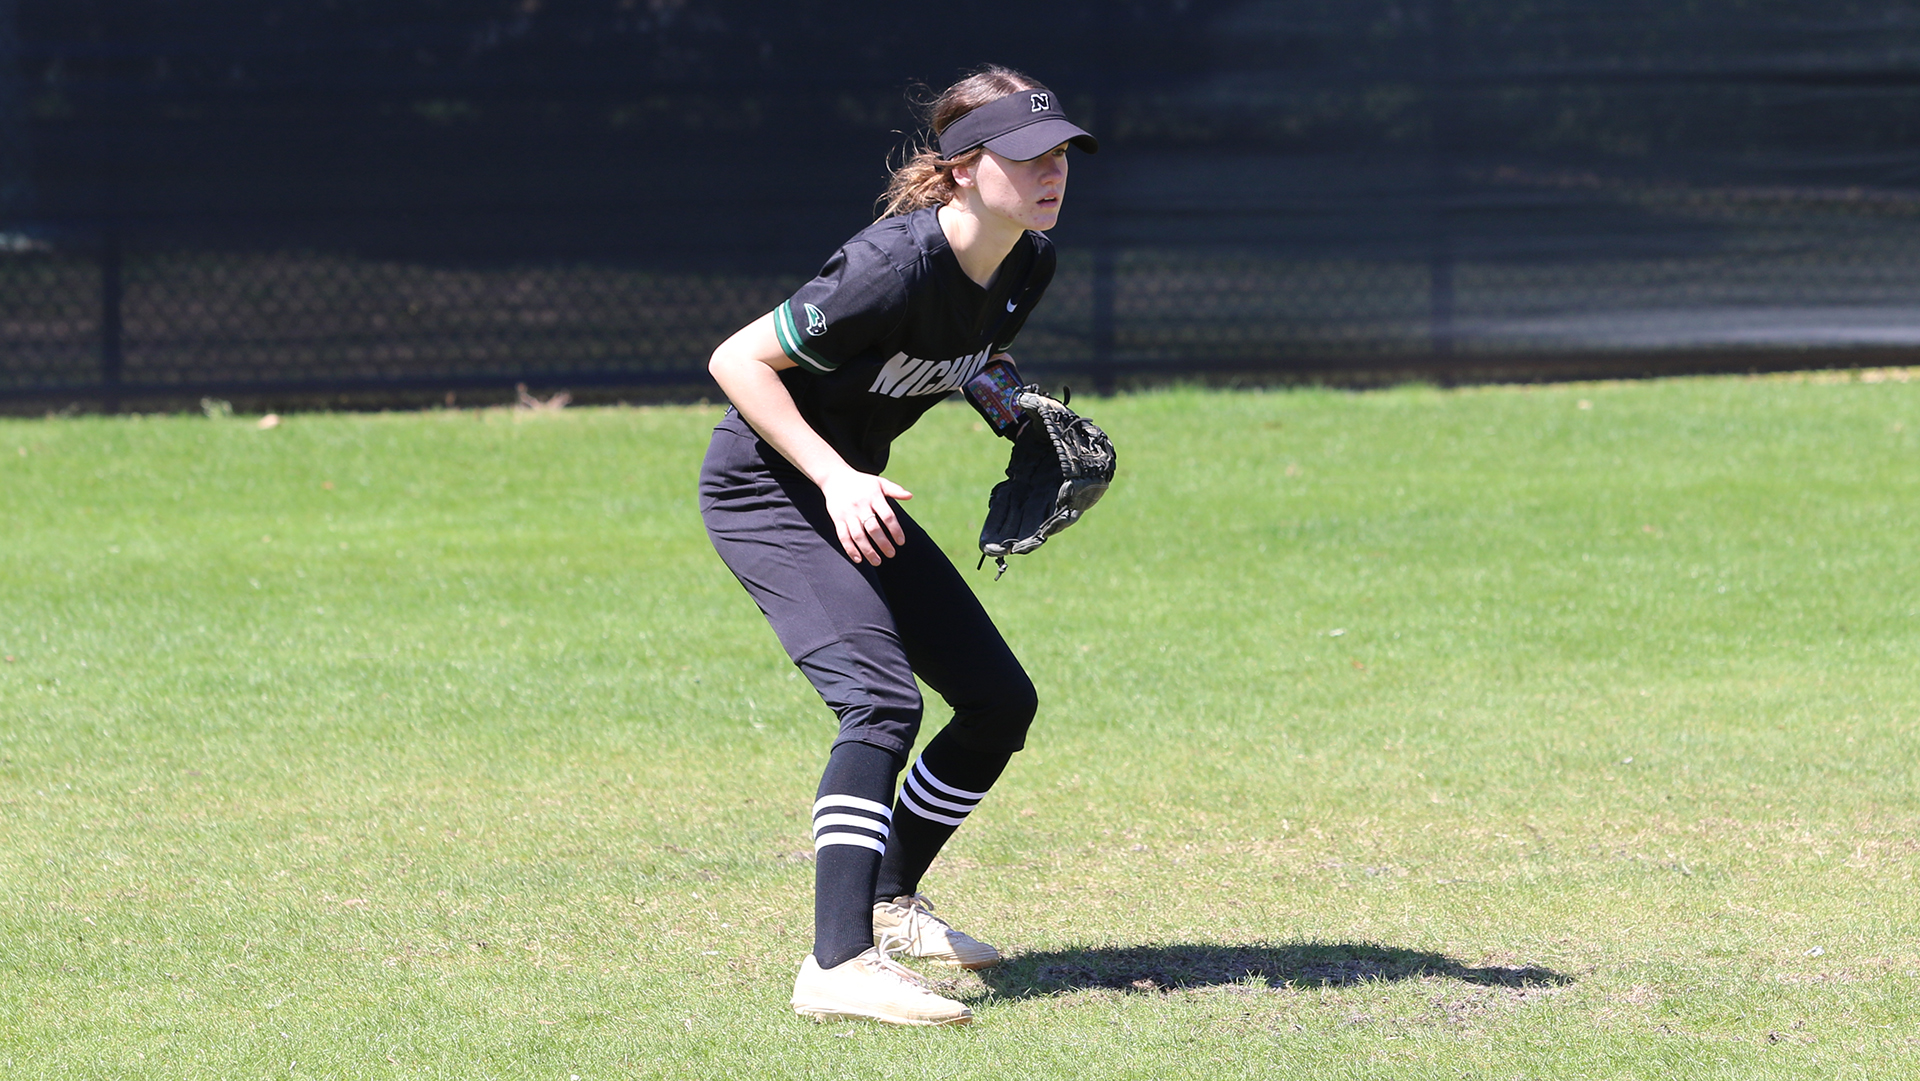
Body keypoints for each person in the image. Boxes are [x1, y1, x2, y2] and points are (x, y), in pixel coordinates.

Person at [698, 65, 1097, 1026]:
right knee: (879, 699)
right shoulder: (890, 264)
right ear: (961, 168)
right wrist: (834, 475)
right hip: (770, 488)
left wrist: (1013, 410)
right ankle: (837, 963)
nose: (1050, 173)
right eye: (1026, 156)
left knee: (997, 701)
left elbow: (972, 354)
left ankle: (888, 894)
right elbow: (737, 359)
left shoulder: (1026, 263)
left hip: (853, 491)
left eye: (1061, 153)